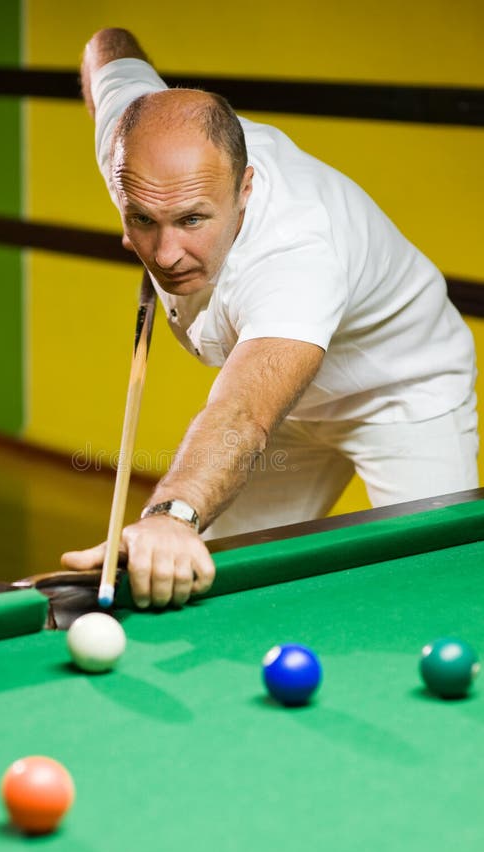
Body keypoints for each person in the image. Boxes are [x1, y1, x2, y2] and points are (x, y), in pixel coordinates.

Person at [62, 27, 479, 608]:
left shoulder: (297, 252)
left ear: (245, 189)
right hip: (290, 409)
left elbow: (243, 411)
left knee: (437, 580)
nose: (164, 254)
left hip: (400, 392)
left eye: (191, 220)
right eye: (143, 220)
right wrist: (177, 531)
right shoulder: (132, 148)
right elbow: (108, 46)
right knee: (205, 575)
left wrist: (169, 512)